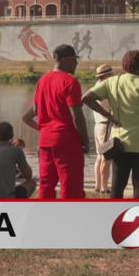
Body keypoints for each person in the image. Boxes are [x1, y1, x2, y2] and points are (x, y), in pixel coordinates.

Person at [82, 50, 139, 199]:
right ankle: (137, 212)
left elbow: (86, 98)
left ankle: (113, 212)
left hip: (119, 142)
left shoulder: (112, 82)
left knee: (117, 186)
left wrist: (108, 115)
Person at [22, 44, 89, 199]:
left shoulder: (42, 81)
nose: (76, 63)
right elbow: (77, 116)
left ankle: (46, 212)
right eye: (74, 60)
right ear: (65, 60)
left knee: (46, 184)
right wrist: (85, 140)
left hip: (45, 141)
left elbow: (36, 109)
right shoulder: (70, 82)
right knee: (70, 187)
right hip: (66, 141)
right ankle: (69, 213)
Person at [0, 122, 37, 199]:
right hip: (6, 198)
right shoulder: (16, 150)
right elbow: (28, 176)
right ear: (12, 136)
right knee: (32, 183)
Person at [91, 64, 114, 194]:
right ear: (107, 75)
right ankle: (104, 187)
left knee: (99, 156)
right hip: (105, 125)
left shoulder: (95, 87)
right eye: (111, 74)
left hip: (98, 125)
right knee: (106, 157)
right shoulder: (104, 90)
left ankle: (98, 185)